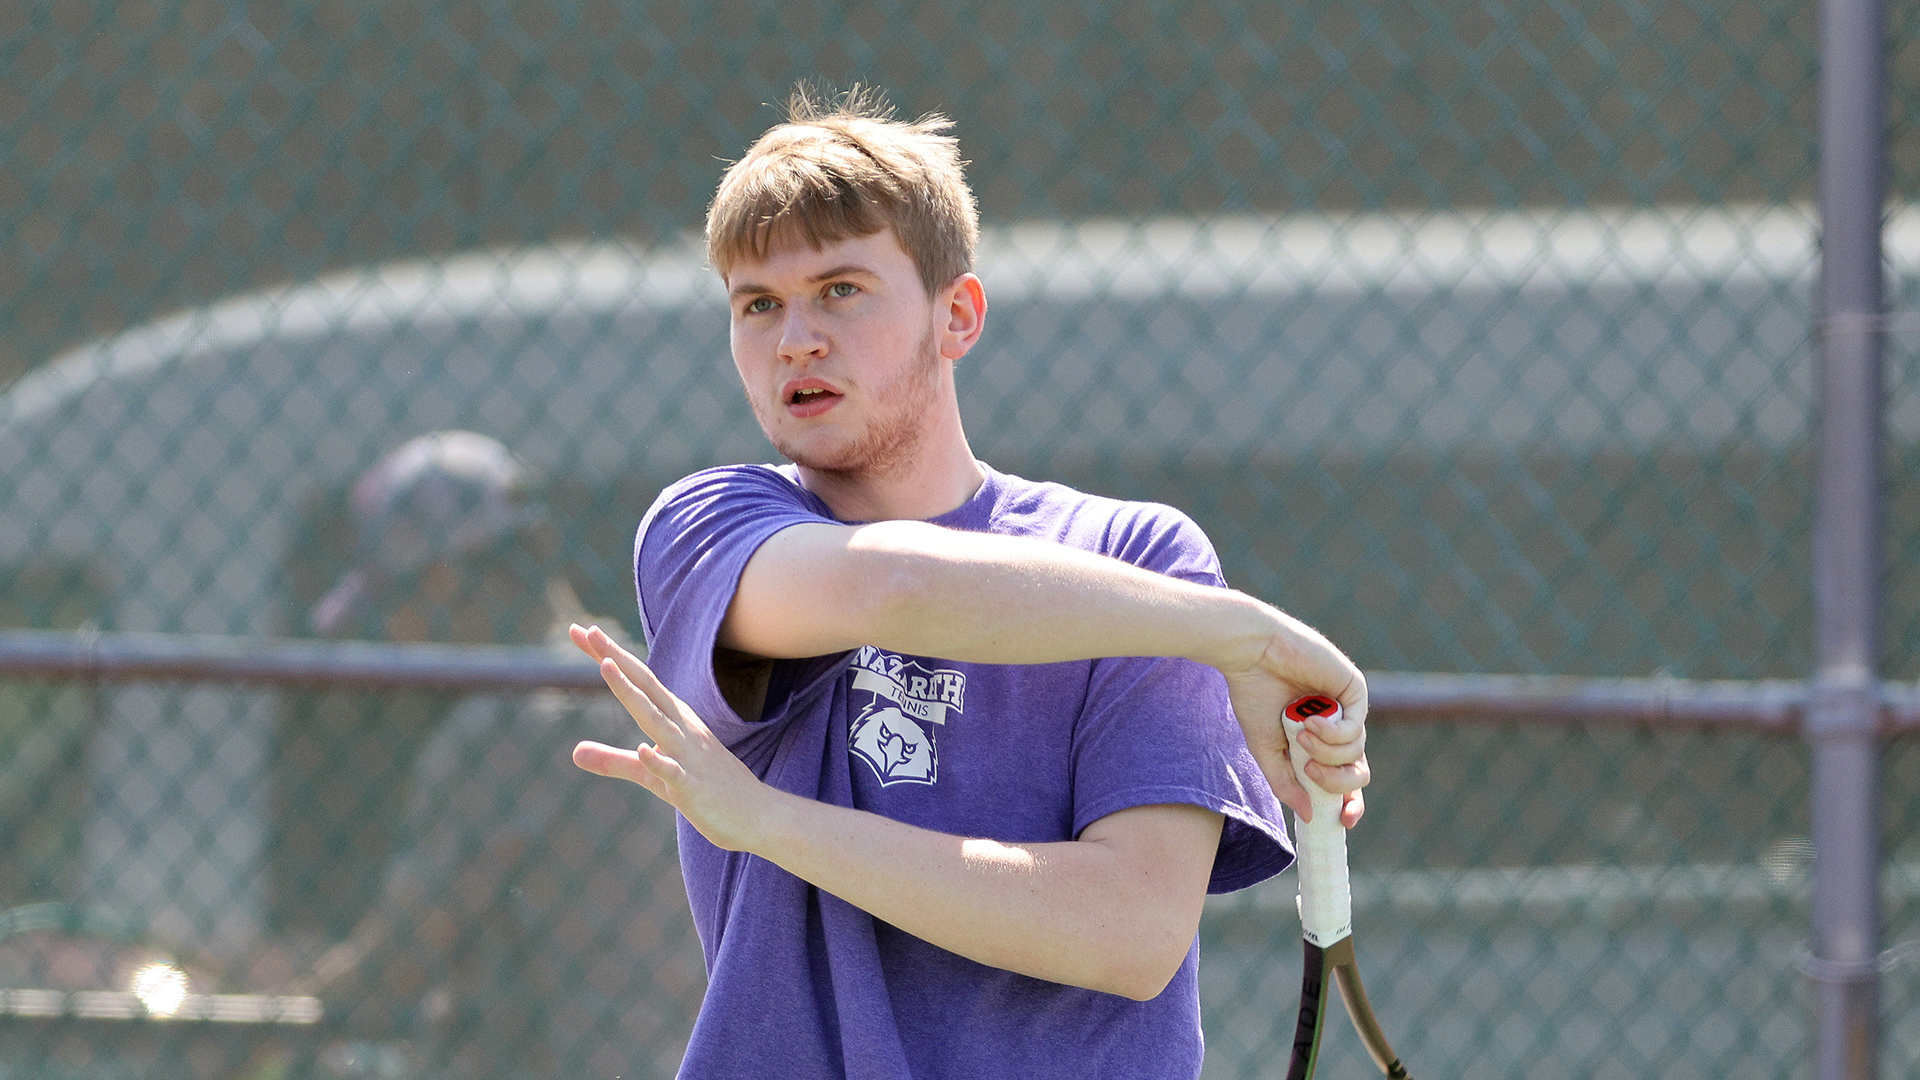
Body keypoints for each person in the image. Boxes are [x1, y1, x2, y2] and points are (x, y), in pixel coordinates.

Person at [569, 87, 1371, 1080]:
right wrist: (1238, 637)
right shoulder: (707, 528)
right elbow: (893, 586)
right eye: (758, 305)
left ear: (958, 316)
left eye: (841, 289)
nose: (795, 339)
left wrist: (775, 827)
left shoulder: (1143, 560)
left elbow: (1127, 934)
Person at [296, 431, 701, 1079]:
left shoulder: (504, 730)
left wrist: (288, 1009)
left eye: (392, 606)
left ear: (443, 582)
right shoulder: (660, 686)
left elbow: (404, 956)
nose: (394, 639)